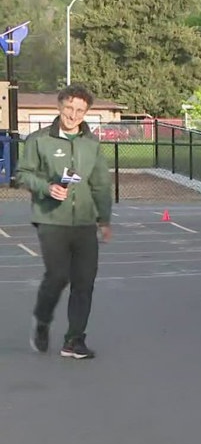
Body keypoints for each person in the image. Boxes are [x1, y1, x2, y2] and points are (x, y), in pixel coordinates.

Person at [16, 84, 113, 360]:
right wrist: (47, 188)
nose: (73, 115)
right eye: (69, 108)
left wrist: (104, 219)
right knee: (58, 276)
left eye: (80, 110)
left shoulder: (91, 144)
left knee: (84, 282)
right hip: (51, 220)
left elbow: (101, 184)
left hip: (84, 222)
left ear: (86, 112)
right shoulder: (38, 140)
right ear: (59, 106)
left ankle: (74, 340)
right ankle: (42, 320)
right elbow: (22, 174)